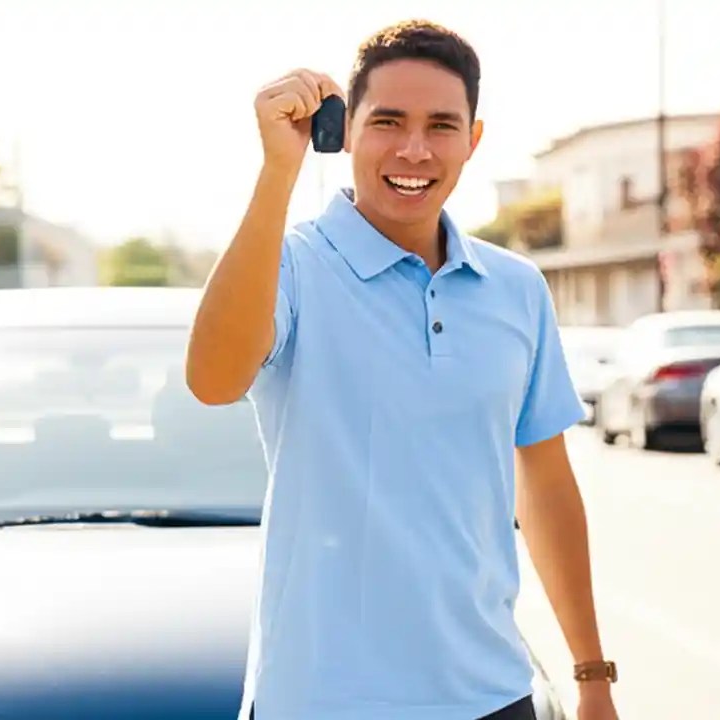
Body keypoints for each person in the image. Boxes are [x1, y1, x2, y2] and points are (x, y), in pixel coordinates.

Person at [185, 19, 620, 720]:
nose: (414, 150)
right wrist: (278, 172)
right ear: (343, 131)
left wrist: (591, 674)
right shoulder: (292, 266)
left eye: (441, 126)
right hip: (322, 702)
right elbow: (212, 381)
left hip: (492, 696)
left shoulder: (516, 289)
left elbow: (546, 485)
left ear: (473, 140)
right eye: (387, 122)